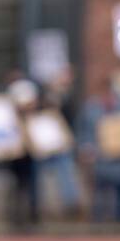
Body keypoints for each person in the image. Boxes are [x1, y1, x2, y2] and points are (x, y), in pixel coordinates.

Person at [79, 68, 120, 224]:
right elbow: (83, 131)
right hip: (99, 157)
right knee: (99, 193)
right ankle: (98, 221)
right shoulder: (91, 108)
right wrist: (85, 148)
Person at [36, 66, 83, 219]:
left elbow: (72, 118)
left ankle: (70, 205)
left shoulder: (70, 97)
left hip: (63, 143)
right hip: (45, 143)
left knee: (66, 173)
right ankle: (41, 206)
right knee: (42, 176)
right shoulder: (45, 95)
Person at [5, 78, 40, 229]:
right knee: (17, 188)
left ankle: (31, 216)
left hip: (30, 156)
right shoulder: (10, 118)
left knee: (31, 187)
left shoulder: (34, 117)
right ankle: (16, 218)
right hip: (15, 157)